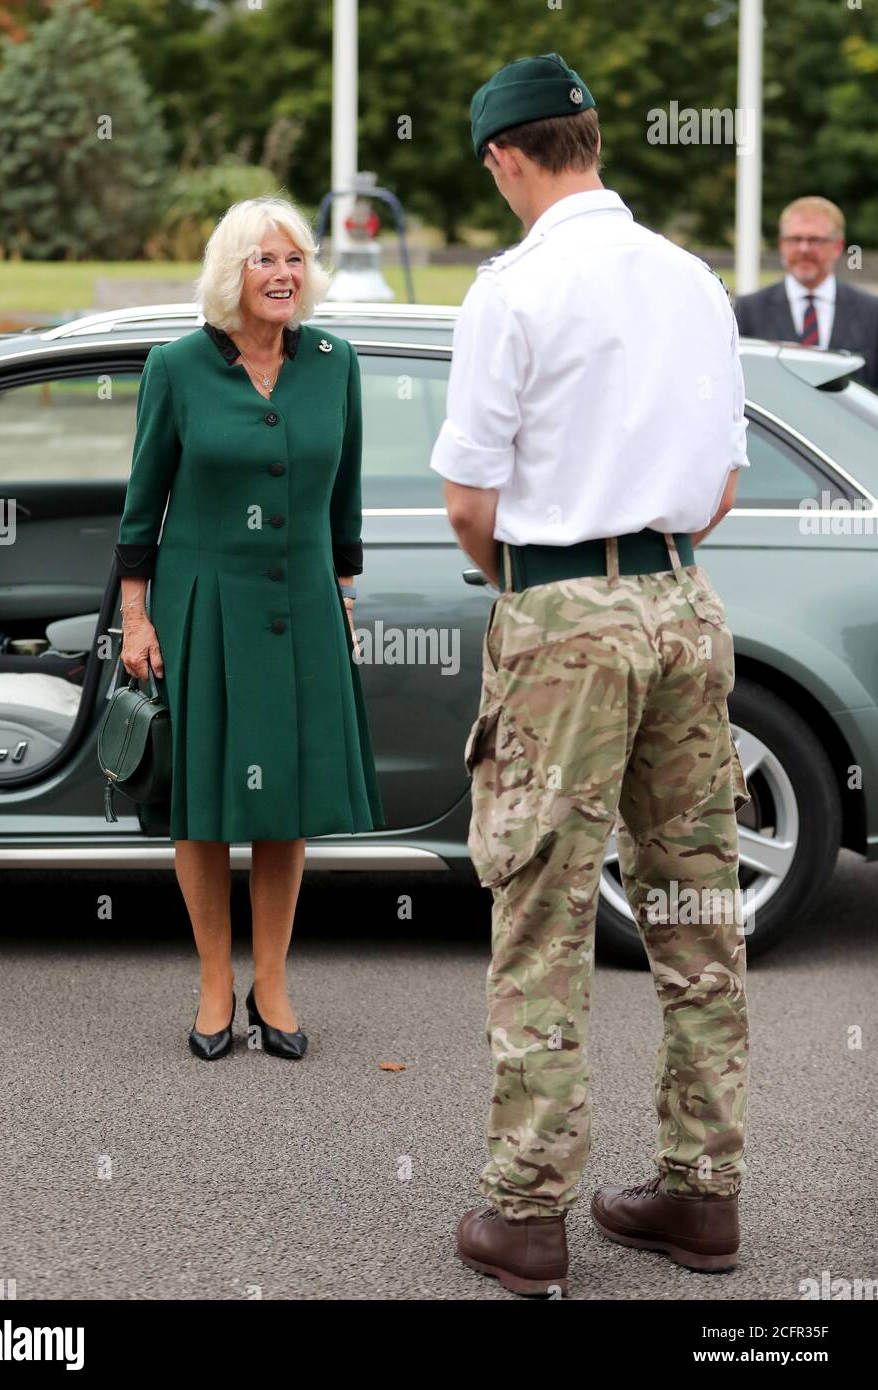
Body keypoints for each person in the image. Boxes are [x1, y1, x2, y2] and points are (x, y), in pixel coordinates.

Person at [430, 52, 752, 1297]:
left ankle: (527, 1215)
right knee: (693, 910)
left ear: (507, 158)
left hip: (563, 604)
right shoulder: (694, 279)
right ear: (594, 139)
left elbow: (469, 500)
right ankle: (701, 1195)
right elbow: (720, 489)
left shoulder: (511, 289)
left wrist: (533, 581)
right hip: (684, 601)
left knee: (543, 910)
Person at [113, 196, 385, 1063]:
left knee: (284, 803)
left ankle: (270, 981)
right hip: (203, 597)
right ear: (231, 275)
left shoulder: (335, 362)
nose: (282, 274)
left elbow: (345, 496)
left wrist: (342, 592)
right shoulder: (178, 366)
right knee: (200, 805)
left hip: (299, 600)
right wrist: (135, 613)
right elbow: (141, 499)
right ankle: (211, 984)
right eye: (263, 260)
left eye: (295, 259)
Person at [735, 195, 878, 389]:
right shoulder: (748, 310)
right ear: (781, 245)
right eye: (795, 239)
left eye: (814, 240)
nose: (803, 249)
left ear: (838, 246)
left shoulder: (870, 311)